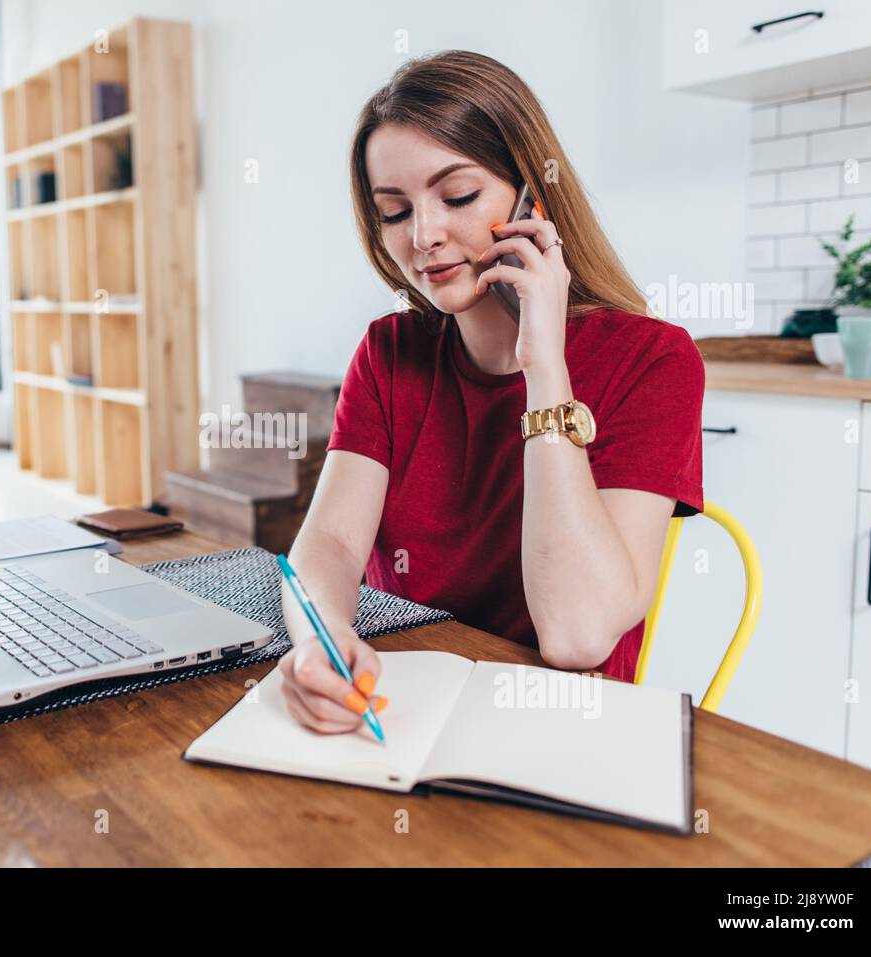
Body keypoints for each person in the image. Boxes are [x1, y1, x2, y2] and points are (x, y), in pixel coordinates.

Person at [278, 50, 705, 734]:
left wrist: (543, 365)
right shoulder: (390, 353)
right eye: (394, 211)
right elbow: (326, 542)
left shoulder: (654, 360)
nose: (423, 236)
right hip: (402, 706)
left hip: (565, 729)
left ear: (533, 196)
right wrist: (318, 642)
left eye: (458, 196)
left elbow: (577, 633)